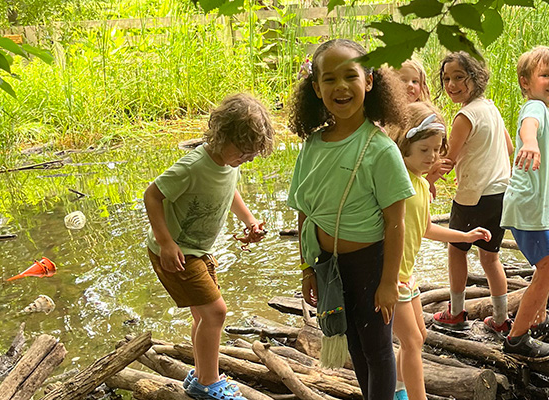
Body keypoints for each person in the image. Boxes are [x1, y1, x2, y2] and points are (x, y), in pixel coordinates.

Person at [287, 38, 413, 400]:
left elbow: (396, 223)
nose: (340, 87)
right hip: (329, 265)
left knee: (376, 347)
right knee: (352, 344)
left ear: (369, 81)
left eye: (350, 76)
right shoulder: (312, 146)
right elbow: (304, 213)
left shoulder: (379, 149)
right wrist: (308, 267)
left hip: (369, 265)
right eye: (329, 79)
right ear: (316, 88)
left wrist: (389, 283)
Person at [144, 93, 274, 400]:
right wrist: (165, 242)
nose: (248, 158)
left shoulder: (228, 164)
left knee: (203, 316)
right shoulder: (192, 166)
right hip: (176, 253)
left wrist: (249, 220)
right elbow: (152, 195)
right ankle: (208, 384)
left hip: (198, 251)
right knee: (216, 312)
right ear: (221, 135)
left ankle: (200, 376)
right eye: (244, 151)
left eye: (252, 154)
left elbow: (230, 192)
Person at [390, 102, 492, 400]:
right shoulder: (396, 183)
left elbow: (424, 228)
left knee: (419, 336)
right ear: (402, 145)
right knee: (411, 342)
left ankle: (398, 391)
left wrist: (464, 234)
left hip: (406, 275)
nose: (433, 157)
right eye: (424, 150)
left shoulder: (421, 185)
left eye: (437, 149)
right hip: (390, 275)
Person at [432, 51, 514, 334]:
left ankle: (456, 312)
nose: (451, 84)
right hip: (501, 193)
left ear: (476, 78)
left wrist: (427, 180)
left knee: (456, 251)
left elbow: (448, 159)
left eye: (458, 77)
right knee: (491, 258)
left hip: (473, 195)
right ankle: (501, 319)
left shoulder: (465, 116)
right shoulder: (490, 108)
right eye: (446, 79)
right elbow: (510, 149)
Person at [500, 46, 549, 361]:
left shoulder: (547, 111)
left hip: (538, 208)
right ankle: (517, 338)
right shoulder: (535, 109)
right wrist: (528, 142)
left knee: (548, 265)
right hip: (528, 208)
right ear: (526, 82)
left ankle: (537, 319)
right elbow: (530, 127)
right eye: (546, 75)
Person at [396, 58, 452, 198]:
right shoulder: (387, 118)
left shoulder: (427, 116)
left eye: (415, 81)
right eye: (403, 80)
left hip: (418, 184)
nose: (410, 85)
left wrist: (429, 181)